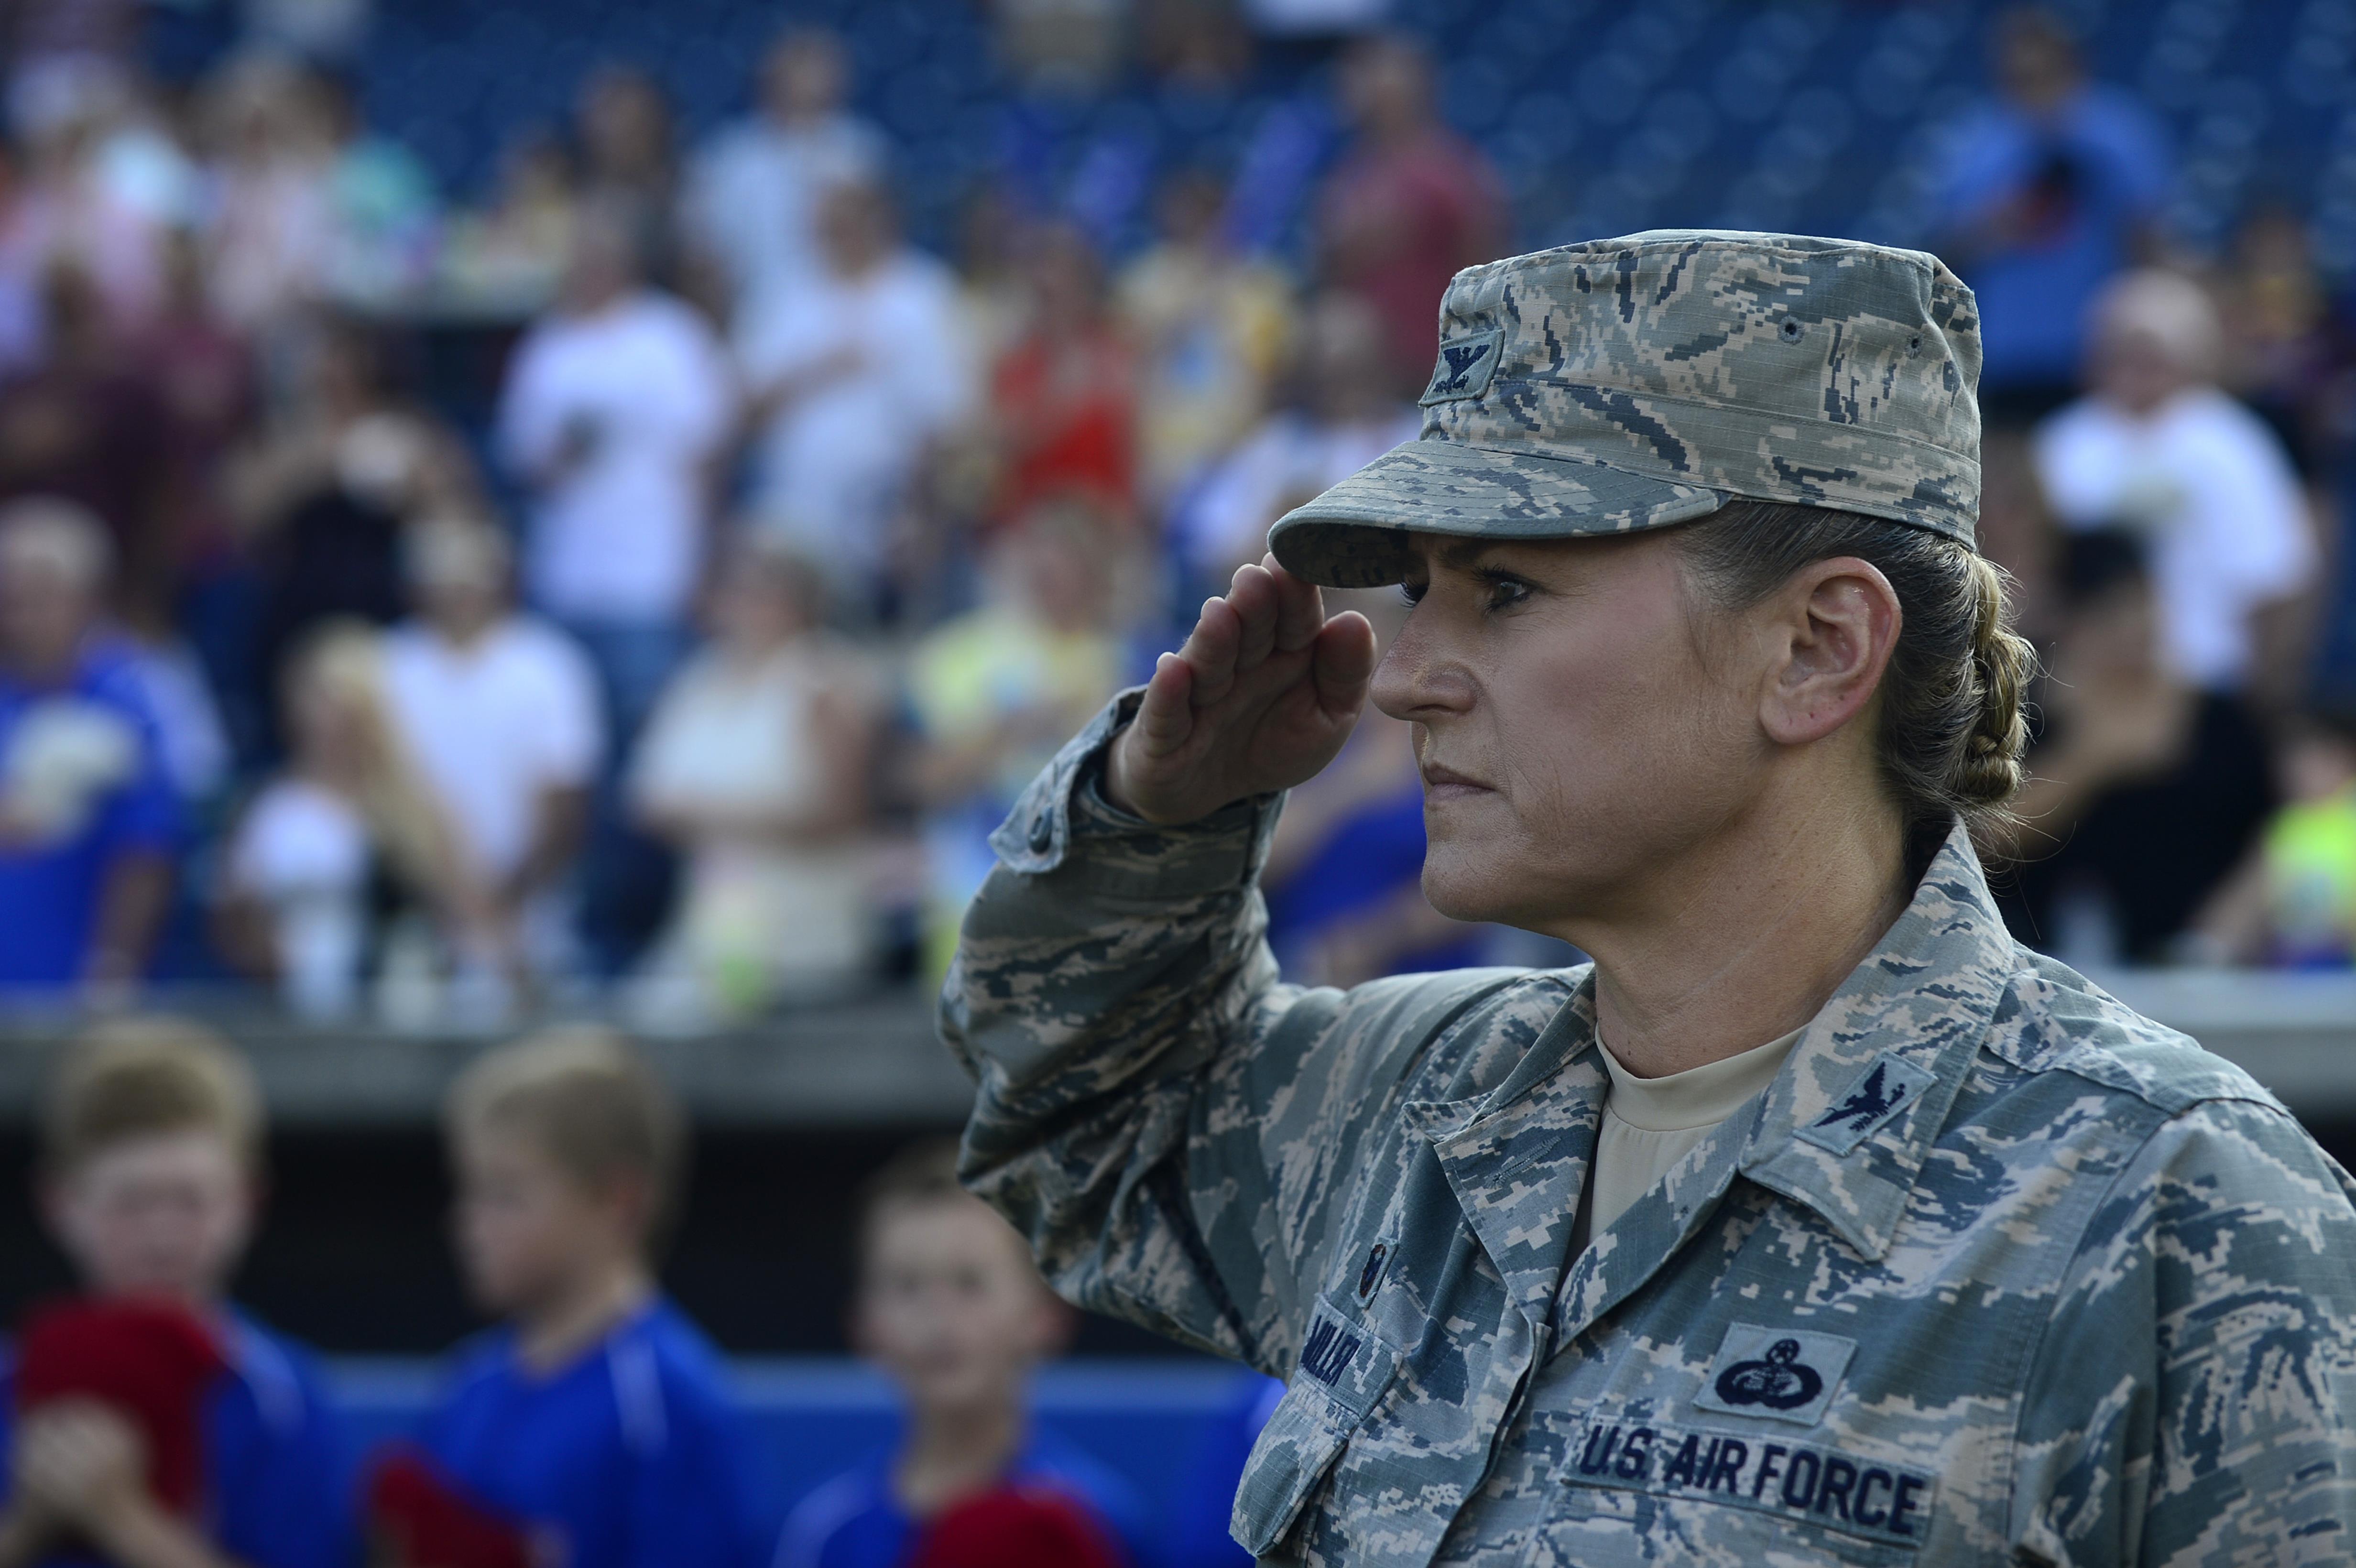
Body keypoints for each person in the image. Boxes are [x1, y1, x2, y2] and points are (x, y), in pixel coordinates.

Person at [940, 231, 2356, 1563]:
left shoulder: (2175, 1211)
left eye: (1501, 588)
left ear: (1815, 648)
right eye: (1422, 588)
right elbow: (1089, 1121)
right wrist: (1154, 819)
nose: (1400, 671)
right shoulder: (1424, 1100)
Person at [384, 1027, 764, 1568]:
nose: (469, 1224)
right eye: (467, 1190)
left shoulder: (665, 1406)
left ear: (618, 1202)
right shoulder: (469, 1385)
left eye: (506, 1193)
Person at [0, 1015, 354, 1568]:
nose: (162, 1237)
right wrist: (29, 1524)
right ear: (59, 1202)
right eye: (130, 1203)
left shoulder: (282, 1401)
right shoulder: (11, 1381)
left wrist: (121, 1516)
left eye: (191, 1200)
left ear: (246, 1200)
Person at [773, 1140, 1147, 1568]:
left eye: (970, 1283)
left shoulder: (1098, 1521)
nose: (939, 1319)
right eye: (907, 1286)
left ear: (1045, 1314)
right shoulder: (819, 1531)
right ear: (864, 1324)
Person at [496, 204, 735, 740]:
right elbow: (527, 467)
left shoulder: (670, 335)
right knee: (570, 731)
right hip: (567, 577)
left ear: (626, 263)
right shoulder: (547, 346)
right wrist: (566, 453)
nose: (590, 269)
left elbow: (708, 459)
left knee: (650, 727)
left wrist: (704, 561)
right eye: (580, 258)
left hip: (652, 574)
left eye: (601, 258)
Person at [2034, 267, 2318, 714]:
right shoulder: (2062, 443)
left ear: (2194, 356)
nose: (2134, 369)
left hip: (2207, 685)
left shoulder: (2234, 445)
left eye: (2152, 354)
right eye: (2120, 351)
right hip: (2079, 692)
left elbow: (2275, 583)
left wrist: (2268, 697)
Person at [629, 536, 886, 1019]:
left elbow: (842, 813)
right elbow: (647, 804)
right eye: (738, 589)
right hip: (711, 925)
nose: (747, 604)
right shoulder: (698, 679)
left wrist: (709, 813)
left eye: (766, 590)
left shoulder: (826, 679)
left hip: (804, 940)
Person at [215, 622, 489, 1020]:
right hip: (290, 1012)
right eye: (318, 696)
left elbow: (469, 918)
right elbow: (232, 917)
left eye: (343, 698)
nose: (331, 717)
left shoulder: (418, 808)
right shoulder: (268, 807)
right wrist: (271, 958)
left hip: (397, 1012)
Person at [379, 519, 602, 998]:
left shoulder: (548, 666)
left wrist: (502, 907)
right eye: (444, 579)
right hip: (415, 908)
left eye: (472, 579)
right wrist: (446, 900)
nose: (460, 594)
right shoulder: (391, 665)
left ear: (502, 581)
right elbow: (379, 788)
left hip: (529, 912)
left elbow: (564, 806)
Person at [733, 178, 971, 613]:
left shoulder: (923, 294)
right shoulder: (786, 294)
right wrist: (817, 371)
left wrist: (921, 514)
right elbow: (745, 411)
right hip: (797, 515)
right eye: (828, 225)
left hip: (886, 514)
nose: (840, 235)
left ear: (881, 221)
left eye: (851, 222)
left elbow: (943, 419)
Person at [1931, 7, 2171, 424]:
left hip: (2094, 347)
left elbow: (2148, 237)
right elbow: (1943, 251)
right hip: (2003, 347)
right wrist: (1994, 225)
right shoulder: (1976, 140)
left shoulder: (2116, 131)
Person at [0, 497, 175, 996]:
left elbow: (147, 851)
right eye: (9, 596)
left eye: (38, 594)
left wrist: (113, 967)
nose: (18, 614)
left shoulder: (125, 697)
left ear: (88, 598)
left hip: (70, 989)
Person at [1313, 34, 1504, 396]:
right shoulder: (1350, 175)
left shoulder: (1449, 171)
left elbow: (1487, 263)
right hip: (1364, 371)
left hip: (1434, 361)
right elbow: (1328, 269)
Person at [1114, 169, 1293, 506]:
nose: (1202, 226)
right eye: (1191, 214)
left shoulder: (1263, 287)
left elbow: (1273, 381)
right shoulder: (1144, 283)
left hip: (1237, 459)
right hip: (1161, 456)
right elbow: (1130, 371)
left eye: (1211, 214)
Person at [681, 28, 885, 310]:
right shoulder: (729, 160)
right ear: (769, 82)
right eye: (795, 76)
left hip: (850, 311)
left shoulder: (859, 153)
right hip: (754, 313)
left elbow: (880, 245)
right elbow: (702, 253)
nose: (805, 89)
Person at [2194, 707, 2356, 969]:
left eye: (2312, 757)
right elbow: (2246, 899)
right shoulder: (2289, 827)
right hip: (2300, 968)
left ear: (2346, 758)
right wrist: (2204, 949)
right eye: (2290, 757)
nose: (2295, 769)